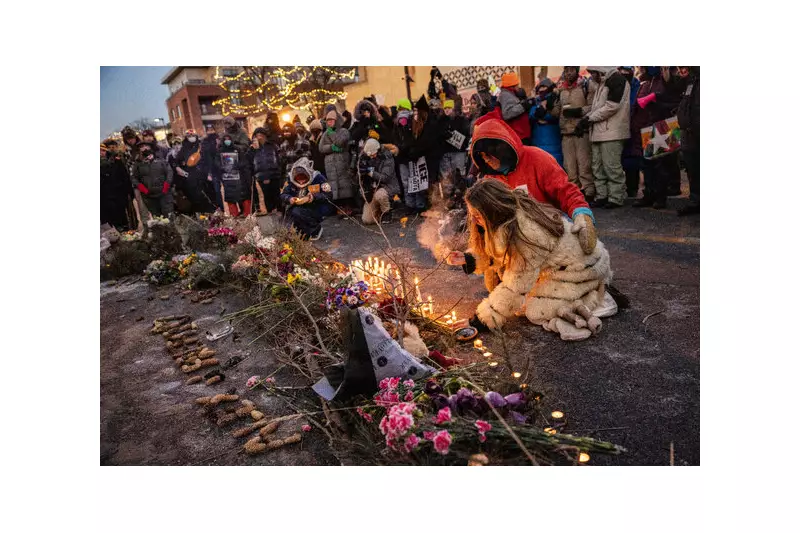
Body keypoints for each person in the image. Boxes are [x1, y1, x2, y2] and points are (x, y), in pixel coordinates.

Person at [448, 179, 616, 340]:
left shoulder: (526, 234)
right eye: (472, 214)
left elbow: (515, 286)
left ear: (492, 209)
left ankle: (592, 298)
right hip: (567, 266)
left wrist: (482, 320)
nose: (473, 219)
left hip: (583, 269)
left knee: (535, 310)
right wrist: (470, 258)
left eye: (477, 215)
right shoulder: (508, 218)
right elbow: (501, 253)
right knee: (527, 300)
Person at [470, 116, 597, 255]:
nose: (486, 160)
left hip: (548, 229)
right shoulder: (490, 179)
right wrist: (473, 255)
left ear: (501, 149)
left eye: (488, 154)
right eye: (482, 156)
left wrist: (581, 214)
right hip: (516, 240)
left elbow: (566, 191)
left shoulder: (537, 159)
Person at [577, 67, 631, 209]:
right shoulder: (604, 82)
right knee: (597, 166)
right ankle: (603, 195)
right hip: (601, 131)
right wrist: (585, 117)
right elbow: (600, 107)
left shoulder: (617, 80)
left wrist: (588, 118)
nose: (592, 76)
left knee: (611, 166)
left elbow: (611, 107)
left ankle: (616, 197)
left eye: (593, 72)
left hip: (612, 132)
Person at [631, 67, 682, 209]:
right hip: (647, 126)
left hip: (664, 125)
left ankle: (660, 197)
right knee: (648, 164)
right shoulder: (647, 81)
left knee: (662, 164)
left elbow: (673, 98)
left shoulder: (669, 79)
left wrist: (655, 98)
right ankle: (649, 194)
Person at [557, 66, 596, 202]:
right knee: (569, 167)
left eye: (571, 70)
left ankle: (589, 192)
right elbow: (557, 112)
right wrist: (550, 106)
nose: (568, 73)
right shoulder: (561, 89)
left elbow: (593, 106)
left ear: (576, 71)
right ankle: (574, 194)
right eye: (566, 71)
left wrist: (579, 112)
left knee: (584, 164)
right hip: (566, 132)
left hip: (581, 131)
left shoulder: (586, 85)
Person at [280, 157, 331, 240]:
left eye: (303, 179)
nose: (301, 182)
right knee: (291, 214)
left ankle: (315, 229)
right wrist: (289, 198)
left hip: (316, 207)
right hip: (297, 208)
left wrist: (312, 197)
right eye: (298, 179)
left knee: (297, 212)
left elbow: (328, 194)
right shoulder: (290, 181)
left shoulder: (318, 178)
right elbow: (283, 194)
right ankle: (302, 232)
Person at [319, 106, 354, 208]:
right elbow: (321, 148)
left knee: (345, 183)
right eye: (327, 120)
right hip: (330, 164)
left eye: (331, 120)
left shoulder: (344, 131)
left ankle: (348, 206)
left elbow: (339, 142)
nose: (329, 123)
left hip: (342, 161)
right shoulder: (325, 133)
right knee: (334, 185)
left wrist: (332, 135)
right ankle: (340, 207)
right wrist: (331, 147)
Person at [357, 138, 399, 225]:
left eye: (373, 154)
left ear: (378, 150)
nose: (372, 157)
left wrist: (370, 172)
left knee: (380, 195)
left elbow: (385, 178)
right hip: (373, 188)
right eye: (370, 156)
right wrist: (360, 172)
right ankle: (379, 210)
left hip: (387, 187)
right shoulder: (365, 158)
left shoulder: (387, 157)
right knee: (367, 220)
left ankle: (387, 211)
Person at [676, 66, 700, 216]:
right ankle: (695, 200)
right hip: (689, 133)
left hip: (697, 133)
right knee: (693, 170)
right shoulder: (691, 81)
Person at [175, 129, 214, 214]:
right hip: (190, 178)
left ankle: (210, 216)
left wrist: (208, 173)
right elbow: (177, 163)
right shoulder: (183, 149)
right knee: (195, 199)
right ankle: (199, 216)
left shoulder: (202, 147)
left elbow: (208, 160)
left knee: (207, 197)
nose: (191, 138)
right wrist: (181, 170)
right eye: (189, 136)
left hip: (203, 176)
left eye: (193, 136)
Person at [131, 141, 174, 218]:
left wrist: (167, 184)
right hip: (149, 196)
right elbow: (134, 177)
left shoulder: (160, 159)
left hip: (164, 193)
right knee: (158, 219)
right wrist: (141, 187)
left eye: (145, 146)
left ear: (150, 147)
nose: (144, 148)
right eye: (141, 147)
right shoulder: (138, 163)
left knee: (169, 216)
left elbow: (169, 172)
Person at [618, 67, 642, 198]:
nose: (624, 73)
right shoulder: (618, 84)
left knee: (632, 159)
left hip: (633, 126)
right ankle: (626, 188)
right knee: (621, 159)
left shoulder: (637, 85)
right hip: (620, 125)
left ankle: (632, 188)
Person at [439, 99, 471, 198]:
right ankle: (449, 197)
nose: (447, 110)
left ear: (453, 109)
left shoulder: (461, 120)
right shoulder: (441, 121)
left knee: (459, 174)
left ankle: (461, 195)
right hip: (445, 152)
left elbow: (466, 134)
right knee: (447, 176)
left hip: (458, 152)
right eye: (445, 108)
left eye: (449, 108)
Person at [100, 141, 135, 230]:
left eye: (102, 151)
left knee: (122, 214)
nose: (101, 153)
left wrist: (129, 190)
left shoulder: (116, 161)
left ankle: (126, 230)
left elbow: (124, 176)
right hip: (104, 196)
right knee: (109, 217)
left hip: (119, 193)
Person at [529, 78, 563, 167]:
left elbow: (556, 115)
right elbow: (532, 115)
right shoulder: (536, 102)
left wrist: (541, 116)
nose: (542, 91)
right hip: (540, 141)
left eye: (544, 87)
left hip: (552, 140)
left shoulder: (554, 100)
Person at [249, 126, 282, 215]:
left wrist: (279, 171)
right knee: (266, 196)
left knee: (276, 194)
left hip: (274, 174)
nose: (260, 137)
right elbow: (250, 161)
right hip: (261, 175)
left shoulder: (272, 145)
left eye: (261, 135)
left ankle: (280, 211)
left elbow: (279, 159)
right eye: (257, 135)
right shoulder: (252, 148)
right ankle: (269, 211)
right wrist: (253, 149)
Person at [218, 133, 253, 217]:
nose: (227, 141)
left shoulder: (237, 149)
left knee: (243, 195)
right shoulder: (220, 151)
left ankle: (247, 214)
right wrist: (223, 167)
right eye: (225, 140)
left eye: (228, 139)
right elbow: (216, 162)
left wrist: (235, 166)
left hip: (239, 177)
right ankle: (234, 215)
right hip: (228, 179)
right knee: (230, 197)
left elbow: (244, 161)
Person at [496, 71, 532, 145]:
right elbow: (507, 114)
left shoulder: (510, 94)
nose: (518, 87)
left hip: (520, 134)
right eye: (517, 85)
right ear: (512, 86)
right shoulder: (506, 95)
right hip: (518, 135)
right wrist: (523, 106)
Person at [200, 123, 222, 211]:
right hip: (212, 170)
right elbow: (204, 158)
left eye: (212, 130)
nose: (210, 132)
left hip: (222, 168)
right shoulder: (204, 142)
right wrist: (207, 172)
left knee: (228, 189)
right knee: (217, 191)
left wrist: (218, 145)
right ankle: (221, 208)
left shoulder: (219, 140)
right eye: (208, 130)